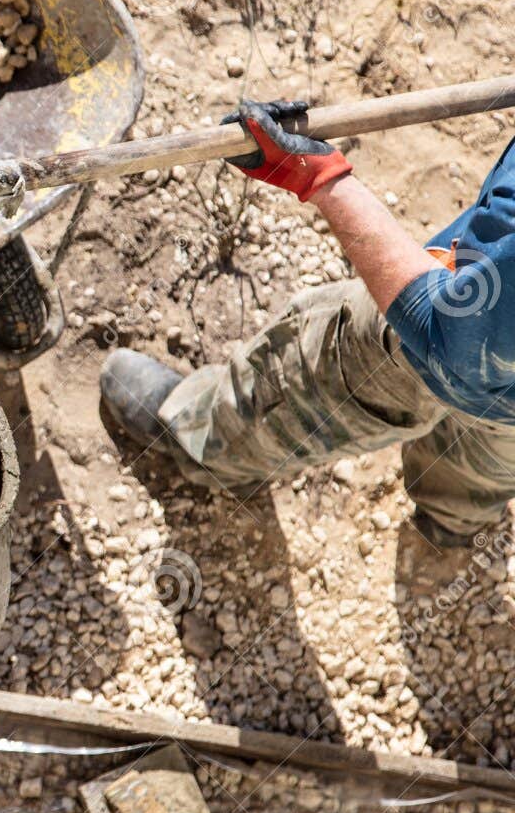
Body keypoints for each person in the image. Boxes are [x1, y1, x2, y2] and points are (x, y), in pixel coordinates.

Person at [99, 99, 515, 546]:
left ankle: (208, 443)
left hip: (466, 336)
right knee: (497, 445)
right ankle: (453, 521)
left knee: (317, 373)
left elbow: (455, 346)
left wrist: (318, 176)